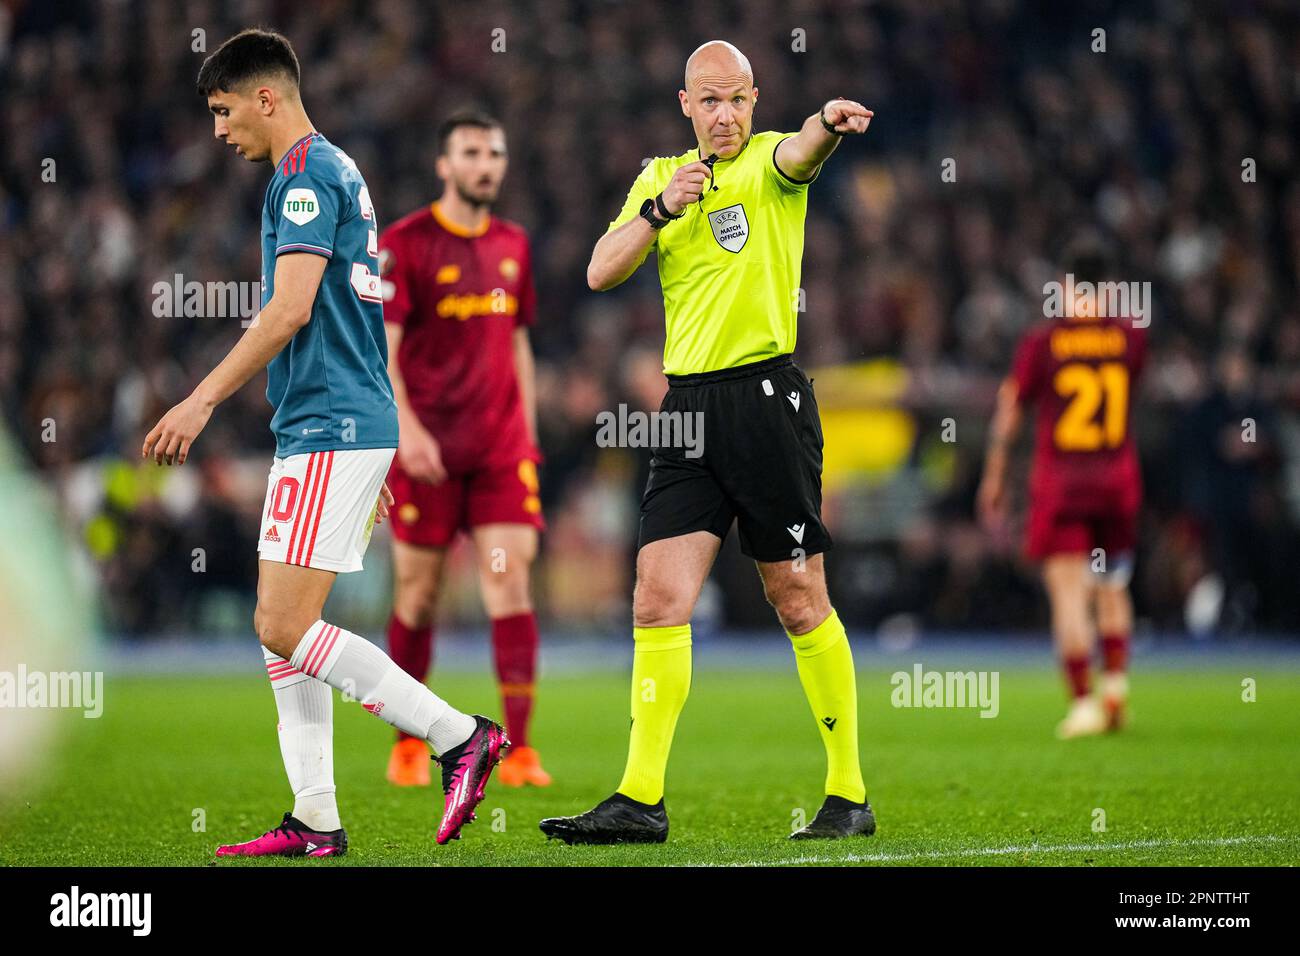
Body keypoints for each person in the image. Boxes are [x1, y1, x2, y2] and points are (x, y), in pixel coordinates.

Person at [141, 29, 508, 856]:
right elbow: (360, 312)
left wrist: (199, 401)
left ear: (265, 98)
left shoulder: (303, 180)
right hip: (339, 425)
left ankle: (457, 736)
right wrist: (376, 436)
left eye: (223, 110)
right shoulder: (337, 169)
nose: (218, 129)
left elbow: (292, 308)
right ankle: (314, 816)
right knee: (281, 627)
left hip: (328, 426)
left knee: (279, 622)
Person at [539, 40, 876, 844]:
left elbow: (803, 148)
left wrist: (827, 122)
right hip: (685, 409)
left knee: (797, 599)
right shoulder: (660, 179)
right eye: (710, 101)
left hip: (766, 400)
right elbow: (597, 270)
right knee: (657, 595)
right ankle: (640, 797)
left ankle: (848, 793)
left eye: (737, 99)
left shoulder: (770, 165)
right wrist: (661, 212)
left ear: (755, 101)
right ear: (685, 106)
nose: (725, 115)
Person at [378, 112, 550, 789]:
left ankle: (521, 751)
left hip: (500, 451)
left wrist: (528, 439)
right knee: (418, 595)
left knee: (509, 583)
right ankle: (410, 744)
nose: (486, 164)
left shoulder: (515, 244)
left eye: (496, 152)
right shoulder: (404, 244)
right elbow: (381, 353)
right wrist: (408, 430)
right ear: (443, 166)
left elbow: (517, 343)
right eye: (471, 152)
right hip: (427, 452)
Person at [978, 239, 1145, 739]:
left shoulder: (1042, 343)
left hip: (1062, 485)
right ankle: (1115, 688)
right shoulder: (1131, 338)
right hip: (1117, 483)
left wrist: (995, 473)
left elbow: (1011, 411)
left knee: (1070, 595)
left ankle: (1083, 703)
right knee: (1113, 586)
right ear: (1112, 289)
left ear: (1066, 287)